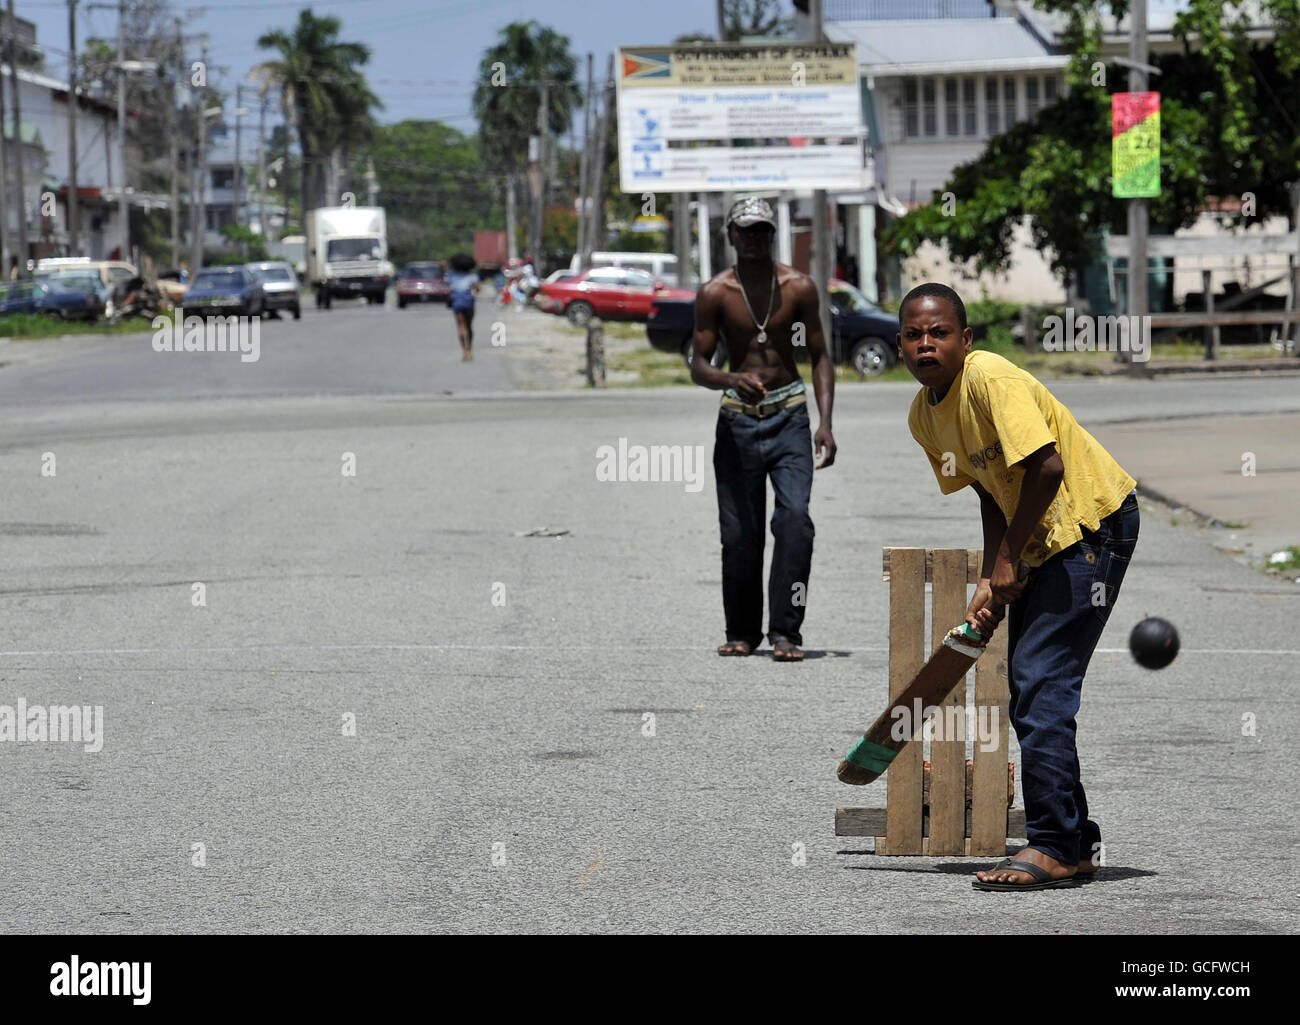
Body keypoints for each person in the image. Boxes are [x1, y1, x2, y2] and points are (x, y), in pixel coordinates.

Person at [897, 282, 1139, 891]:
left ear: (966, 339)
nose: (926, 344)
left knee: (1040, 681)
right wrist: (991, 572)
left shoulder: (991, 379)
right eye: (913, 334)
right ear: (899, 344)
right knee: (1033, 681)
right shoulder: (925, 416)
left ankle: (1053, 843)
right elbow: (989, 488)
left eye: (940, 332)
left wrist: (1011, 559)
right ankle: (1075, 841)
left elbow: (1048, 467)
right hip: (1042, 531)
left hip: (1090, 523)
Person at [691, 196, 837, 662]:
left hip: (790, 416)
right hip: (736, 420)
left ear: (773, 236)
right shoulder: (715, 293)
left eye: (762, 232)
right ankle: (741, 631)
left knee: (795, 523)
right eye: (745, 231)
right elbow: (697, 364)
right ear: (731, 236)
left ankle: (786, 632)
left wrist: (825, 423)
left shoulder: (798, 288)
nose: (754, 240)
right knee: (739, 534)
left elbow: (819, 355)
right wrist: (731, 378)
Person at [446, 254, 480, 361]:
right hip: (469, 301)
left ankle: (464, 351)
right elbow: (477, 289)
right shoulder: (472, 275)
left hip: (457, 302)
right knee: (469, 326)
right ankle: (469, 349)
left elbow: (446, 283)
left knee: (461, 327)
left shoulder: (451, 275)